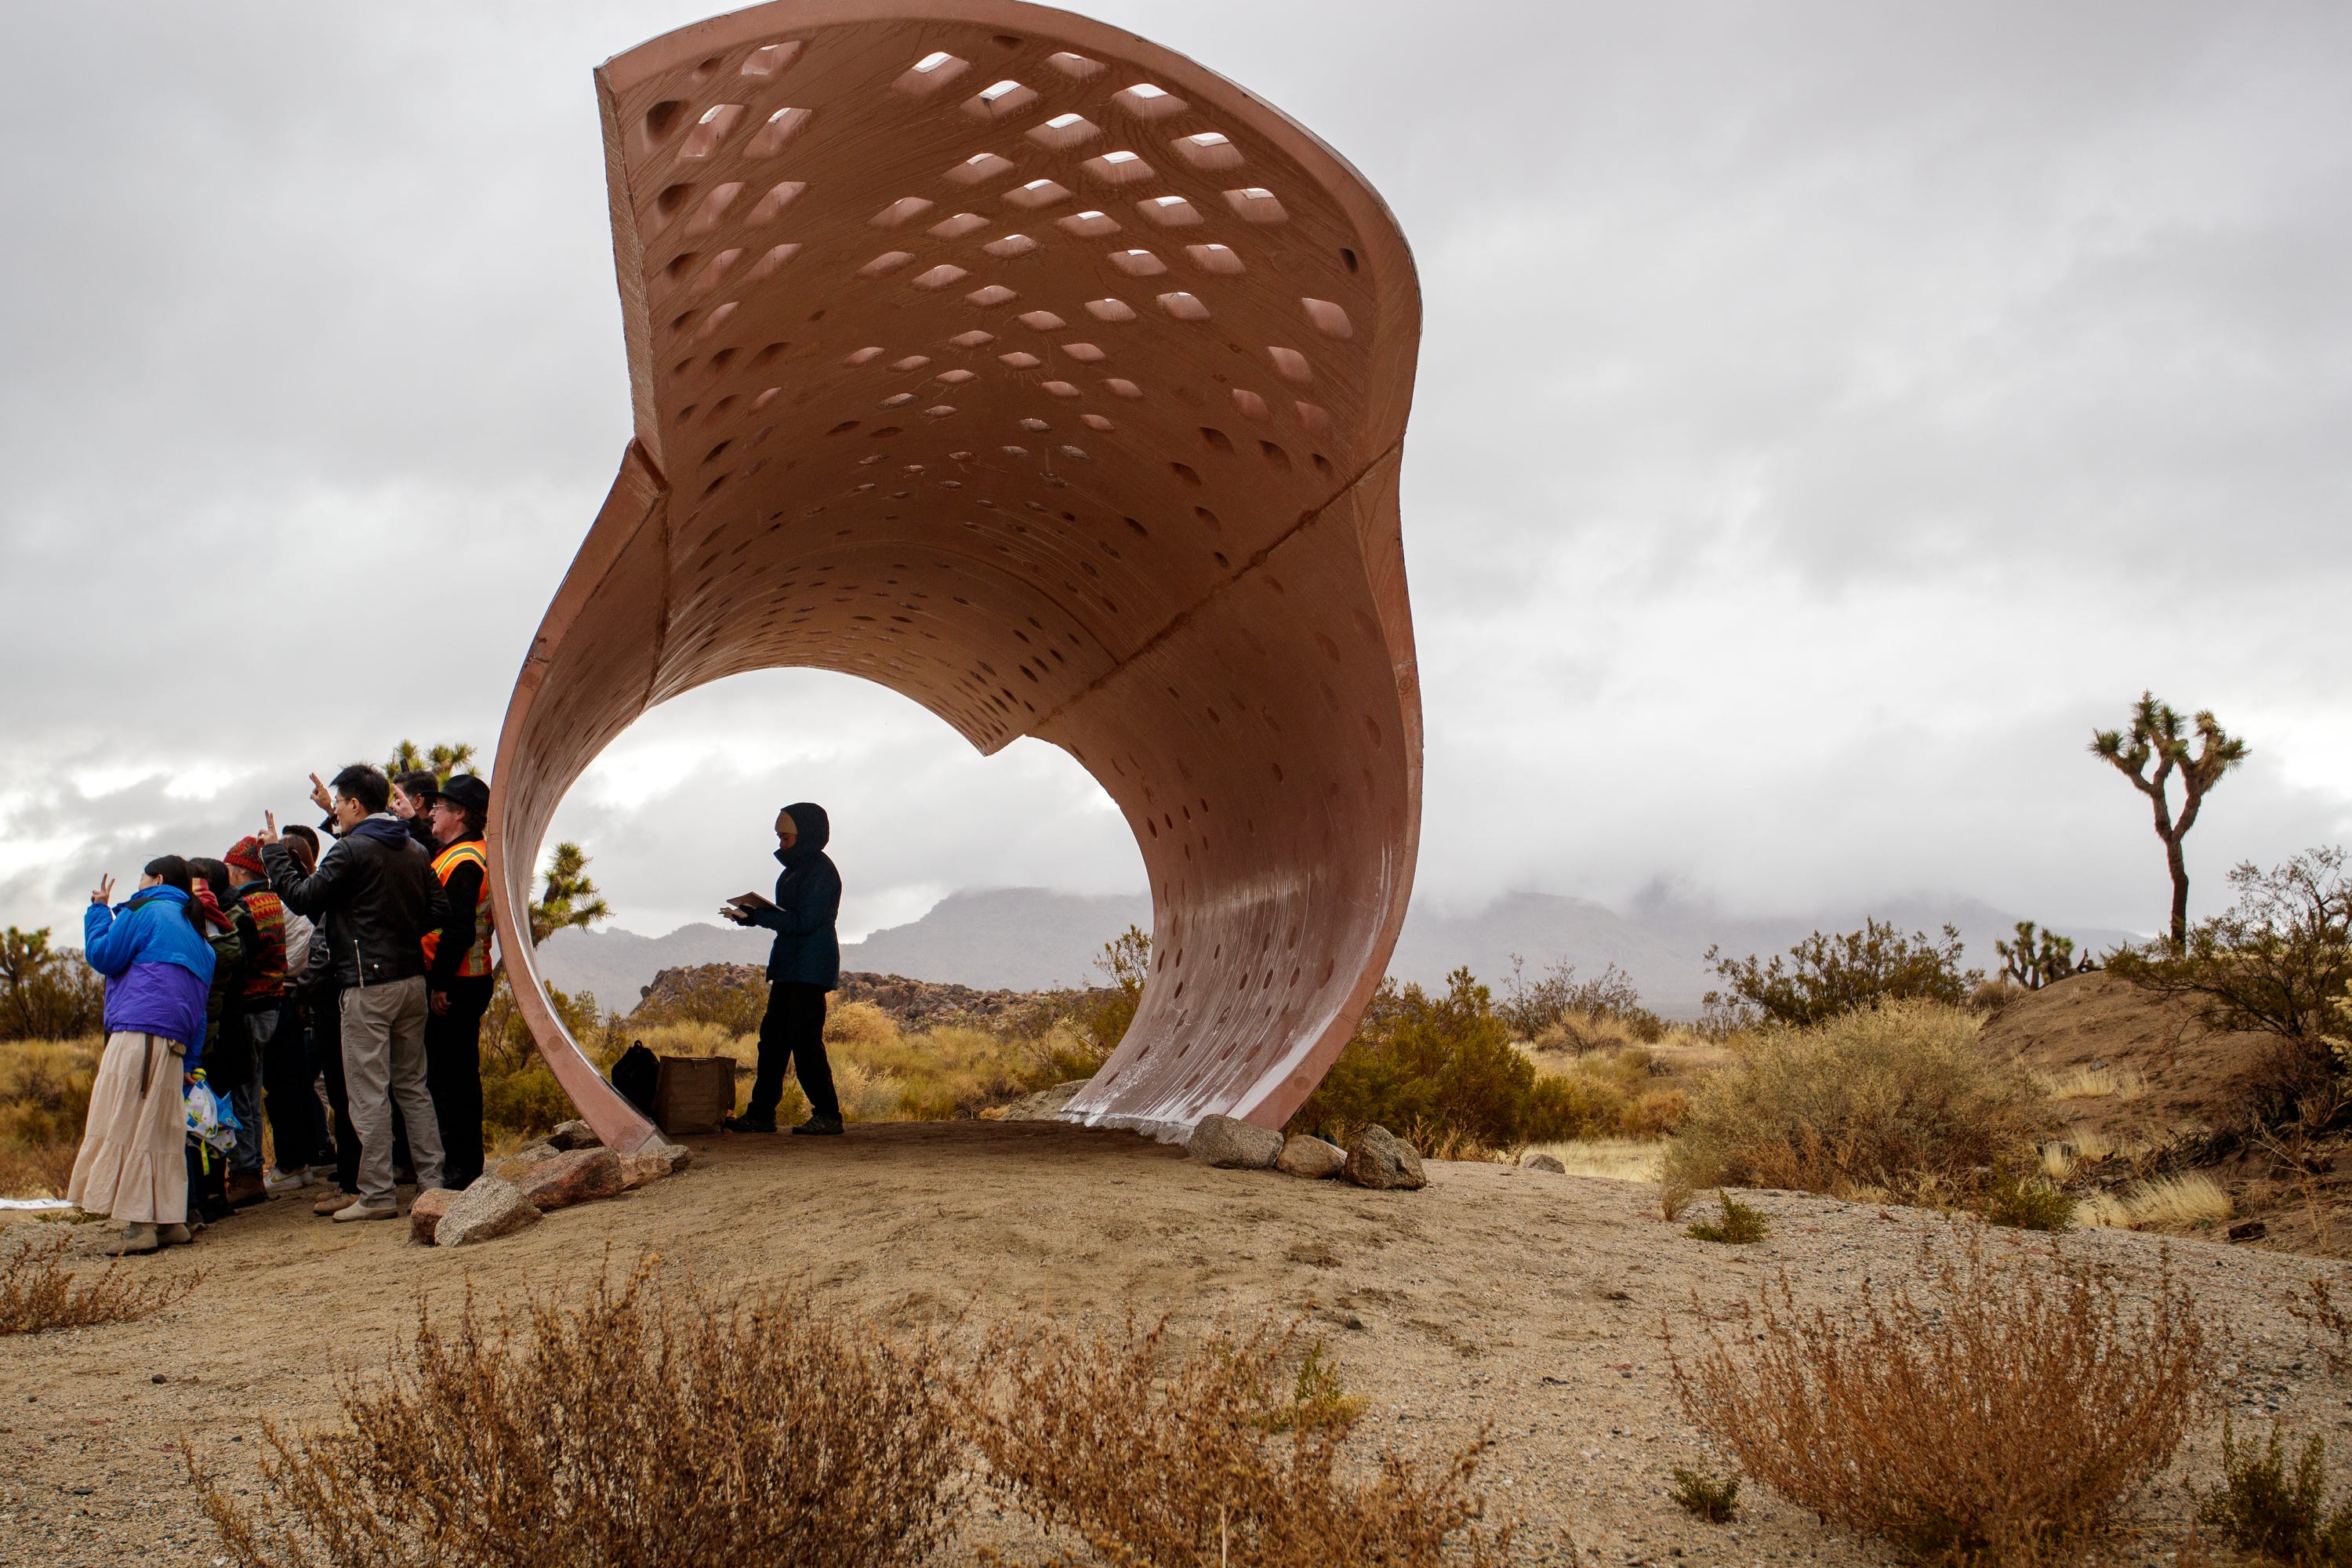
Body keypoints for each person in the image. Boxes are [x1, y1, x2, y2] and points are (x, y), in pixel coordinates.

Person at [258, 764, 449, 1221]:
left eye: (340, 804)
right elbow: (439, 908)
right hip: (410, 981)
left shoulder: (350, 852)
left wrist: (273, 855)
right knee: (413, 1087)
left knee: (368, 1092)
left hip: (367, 985)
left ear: (356, 804)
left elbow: (304, 898)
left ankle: (378, 1194)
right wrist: (398, 934)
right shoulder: (414, 848)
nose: (338, 811)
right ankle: (433, 1184)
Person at [69, 857, 215, 1256]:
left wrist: (99, 910)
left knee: (130, 1124)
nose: (140, 885)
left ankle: (139, 1226)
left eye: (143, 878)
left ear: (158, 880)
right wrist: (190, 1062)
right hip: (174, 1045)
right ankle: (170, 1222)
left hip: (138, 1032)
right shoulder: (200, 936)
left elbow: (103, 956)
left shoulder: (144, 909)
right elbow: (199, 1011)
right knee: (161, 1129)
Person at [721, 802, 844, 1137]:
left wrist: (759, 916)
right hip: (790, 968)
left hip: (809, 970)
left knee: (806, 1044)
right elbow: (789, 921)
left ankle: (829, 1115)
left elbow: (805, 921)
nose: (781, 844)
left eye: (786, 837)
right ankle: (761, 1114)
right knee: (772, 1043)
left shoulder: (821, 872)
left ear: (806, 835)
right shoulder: (793, 872)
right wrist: (753, 918)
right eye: (779, 837)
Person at [419, 773, 495, 1189]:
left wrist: (440, 984)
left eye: (441, 807)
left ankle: (462, 1168)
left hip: (458, 980)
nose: (432, 812)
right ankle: (462, 1164)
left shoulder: (465, 860)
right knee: (455, 1076)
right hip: (466, 975)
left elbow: (460, 928)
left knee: (452, 1080)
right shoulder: (465, 853)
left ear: (460, 814)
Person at [222, 837, 301, 1200]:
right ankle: (251, 1168)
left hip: (254, 1005)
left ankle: (247, 1171)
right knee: (254, 1091)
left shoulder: (249, 906)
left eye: (228, 869)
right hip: (274, 1002)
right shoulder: (273, 900)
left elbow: (241, 955)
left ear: (240, 870)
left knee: (245, 1093)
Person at [183, 858, 251, 1225]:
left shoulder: (204, 925)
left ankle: (204, 1197)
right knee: (212, 1117)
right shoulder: (223, 922)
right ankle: (213, 1194)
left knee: (199, 1119)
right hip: (221, 1033)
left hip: (209, 1037)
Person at [391, 771, 441, 852]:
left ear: (418, 801)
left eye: (397, 798)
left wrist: (412, 820)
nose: (392, 804)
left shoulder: (434, 839)